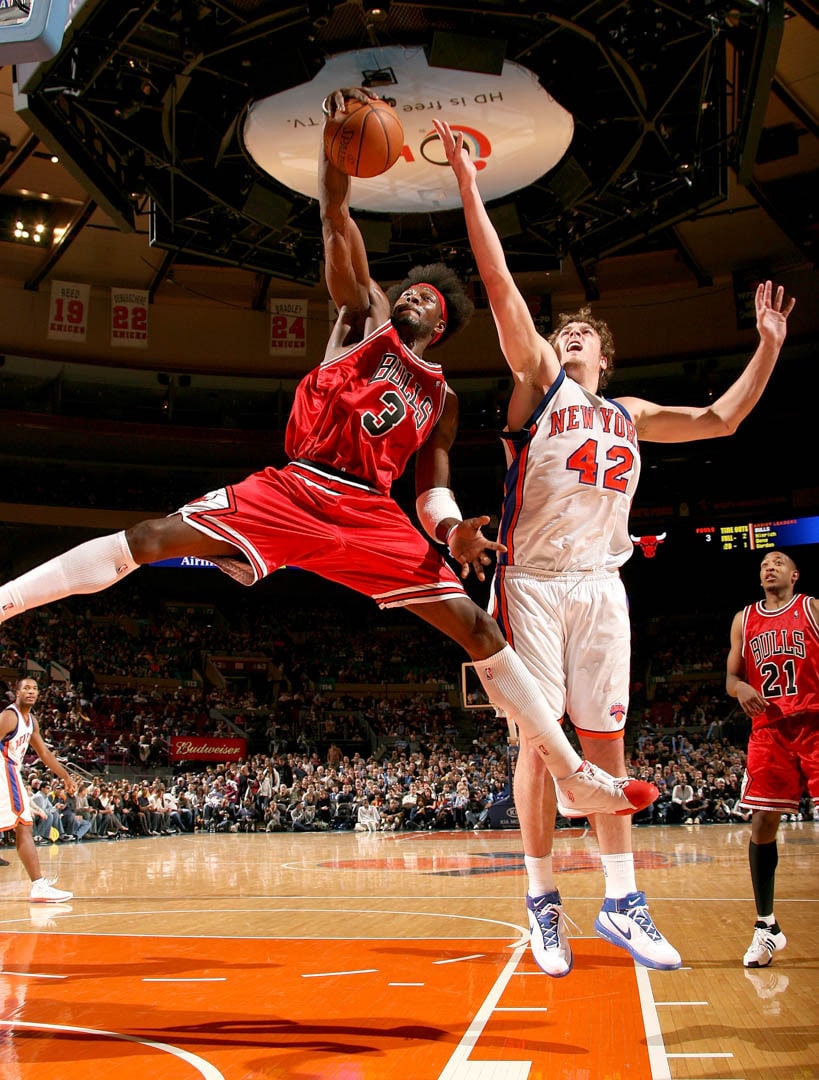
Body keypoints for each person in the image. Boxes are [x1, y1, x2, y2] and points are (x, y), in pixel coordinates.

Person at [0, 88, 658, 825]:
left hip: (369, 515)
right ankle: (6, 601)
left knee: (477, 627)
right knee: (152, 540)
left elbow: (431, 491)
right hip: (295, 486)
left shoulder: (440, 400)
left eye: (427, 301)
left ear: (442, 324)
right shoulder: (361, 317)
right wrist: (331, 148)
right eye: (407, 291)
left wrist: (451, 533)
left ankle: (568, 775)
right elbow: (335, 218)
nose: (412, 300)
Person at [433, 117, 795, 976]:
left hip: (601, 585)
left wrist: (767, 349)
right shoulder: (539, 387)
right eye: (562, 333)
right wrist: (467, 187)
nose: (567, 337)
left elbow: (721, 419)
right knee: (534, 744)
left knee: (606, 751)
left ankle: (624, 903)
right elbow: (499, 290)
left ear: (606, 352)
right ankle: (540, 904)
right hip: (531, 580)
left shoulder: (628, 412)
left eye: (581, 334)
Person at [726, 549, 818, 968]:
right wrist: (741, 688)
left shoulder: (812, 608)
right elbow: (731, 676)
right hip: (769, 730)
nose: (769, 567)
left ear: (795, 575)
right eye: (764, 563)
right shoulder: (744, 619)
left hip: (814, 723)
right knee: (762, 822)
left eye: (778, 562)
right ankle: (766, 928)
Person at [0, 678, 75, 902]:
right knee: (23, 825)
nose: (31, 692)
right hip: (4, 769)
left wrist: (65, 776)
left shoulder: (31, 721)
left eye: (34, 689)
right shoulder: (9, 716)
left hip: (11, 771)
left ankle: (38, 885)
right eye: (26, 688)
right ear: (17, 692)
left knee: (24, 826)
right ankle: (38, 886)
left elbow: (44, 754)